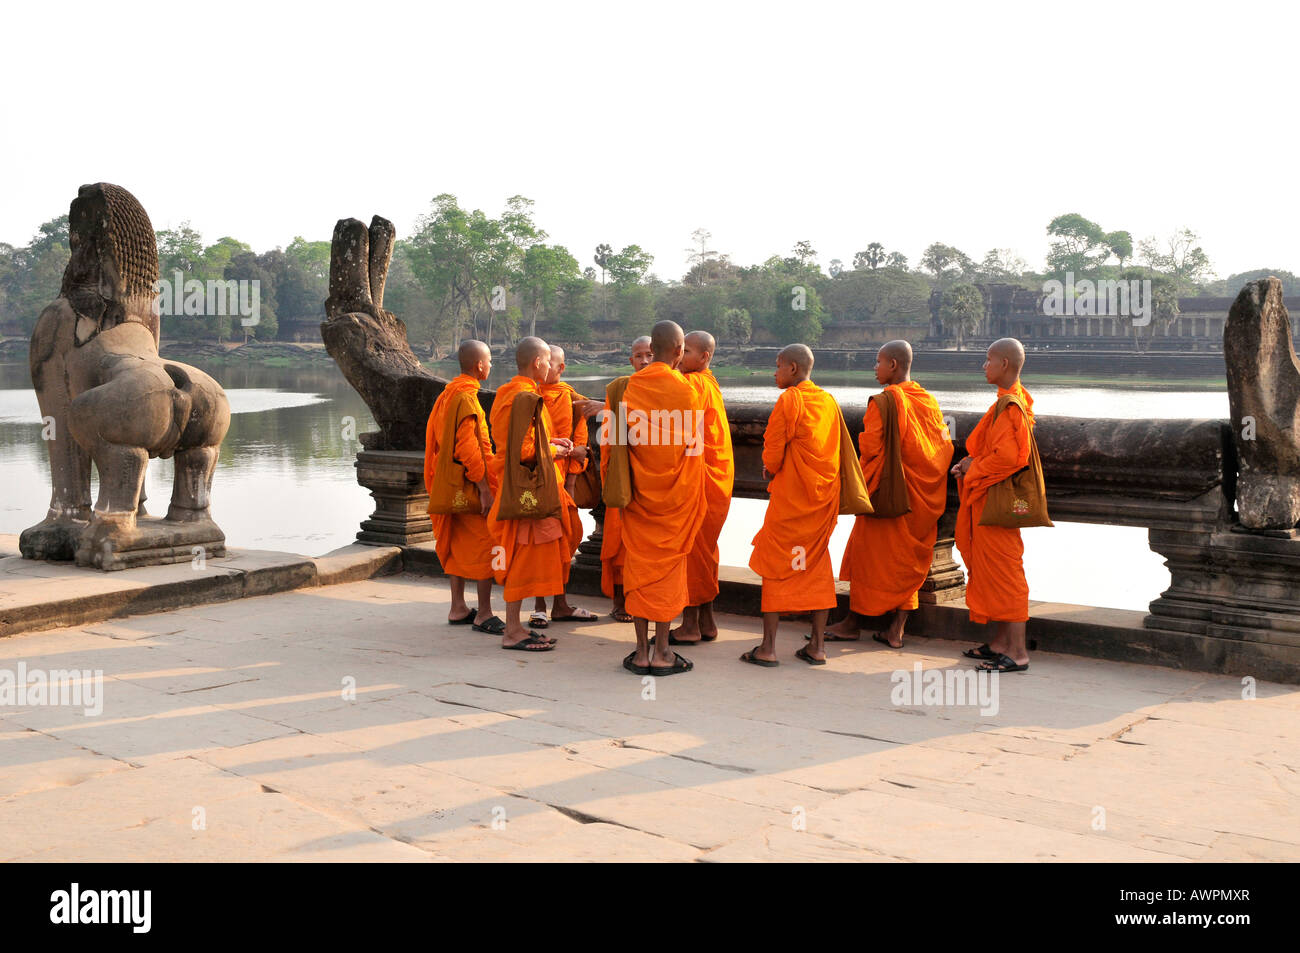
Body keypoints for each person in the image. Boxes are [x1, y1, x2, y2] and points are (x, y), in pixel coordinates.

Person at [825, 341, 953, 648]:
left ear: (893, 365)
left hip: (888, 497)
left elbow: (870, 449)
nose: (875, 367)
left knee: (867, 555)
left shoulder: (884, 402)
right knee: (906, 561)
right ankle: (896, 628)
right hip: (920, 497)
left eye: (878, 362)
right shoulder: (927, 401)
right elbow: (942, 447)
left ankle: (853, 623)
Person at [608, 320, 706, 676]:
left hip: (639, 497)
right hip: (675, 502)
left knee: (639, 568)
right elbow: (694, 451)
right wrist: (690, 494)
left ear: (656, 348)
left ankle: (640, 652)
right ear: (679, 351)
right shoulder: (687, 391)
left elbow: (616, 441)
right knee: (666, 573)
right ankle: (663, 652)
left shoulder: (629, 387)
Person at [743, 344, 840, 667]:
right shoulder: (828, 401)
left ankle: (768, 648)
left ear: (793, 370)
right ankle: (817, 646)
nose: (775, 372)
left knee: (776, 565)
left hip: (790, 502)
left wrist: (770, 468)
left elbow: (772, 449)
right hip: (820, 499)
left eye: (778, 366)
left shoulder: (790, 400)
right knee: (816, 566)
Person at [486, 336, 579, 652]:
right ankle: (512, 631)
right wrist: (554, 449)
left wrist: (552, 444)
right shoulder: (525, 398)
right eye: (548, 361)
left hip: (516, 488)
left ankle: (517, 626)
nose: (551, 366)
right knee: (521, 560)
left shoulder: (506, 393)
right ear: (539, 362)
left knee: (523, 557)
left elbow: (513, 443)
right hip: (527, 493)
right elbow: (524, 450)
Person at [953, 337, 1034, 673]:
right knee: (991, 572)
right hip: (987, 499)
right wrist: (970, 462)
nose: (984, 366)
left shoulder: (1012, 406)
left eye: (988, 360)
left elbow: (1013, 456)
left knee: (1006, 574)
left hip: (998, 504)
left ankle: (1018, 652)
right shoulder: (1006, 403)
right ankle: (1000, 642)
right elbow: (992, 449)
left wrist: (975, 467)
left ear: (1004, 364)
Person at [423, 339, 501, 633]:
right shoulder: (467, 399)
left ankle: (457, 607)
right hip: (470, 485)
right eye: (490, 361)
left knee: (455, 543)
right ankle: (483, 612)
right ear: (479, 365)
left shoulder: (447, 395)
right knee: (486, 544)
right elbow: (470, 449)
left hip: (448, 484)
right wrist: (484, 488)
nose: (491, 365)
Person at [668, 330, 734, 644]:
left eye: (688, 352)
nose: (681, 358)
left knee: (694, 551)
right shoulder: (709, 382)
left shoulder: (696, 384)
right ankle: (707, 622)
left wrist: (611, 407)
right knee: (705, 551)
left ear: (704, 358)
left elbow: (662, 407)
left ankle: (691, 625)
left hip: (703, 480)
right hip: (716, 478)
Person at [531, 344, 601, 628]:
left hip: (562, 482)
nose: (545, 368)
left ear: (561, 368)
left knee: (565, 544)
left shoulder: (573, 401)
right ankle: (538, 606)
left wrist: (571, 482)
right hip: (537, 480)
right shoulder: (529, 396)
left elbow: (582, 444)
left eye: (552, 363)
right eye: (543, 362)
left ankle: (560, 604)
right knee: (539, 545)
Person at [601, 335, 654, 622]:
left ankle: (647, 601)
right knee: (619, 543)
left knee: (648, 547)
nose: (644, 361)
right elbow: (609, 435)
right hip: (624, 474)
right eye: (638, 356)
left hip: (654, 478)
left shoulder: (667, 388)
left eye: (649, 355)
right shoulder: (620, 388)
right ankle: (620, 602)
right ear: (630, 359)